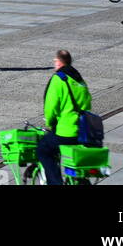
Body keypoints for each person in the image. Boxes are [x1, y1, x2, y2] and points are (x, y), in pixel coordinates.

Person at [37, 48, 93, 186]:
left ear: (58, 62)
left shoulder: (59, 79)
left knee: (43, 149)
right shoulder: (79, 80)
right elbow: (88, 104)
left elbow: (50, 107)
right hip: (83, 132)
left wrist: (50, 123)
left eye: (55, 61)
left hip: (66, 131)